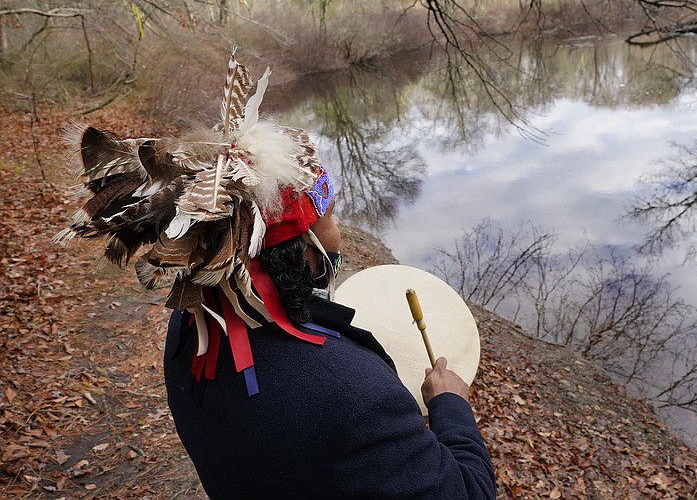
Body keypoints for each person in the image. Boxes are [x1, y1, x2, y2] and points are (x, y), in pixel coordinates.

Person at [59, 56, 496, 499]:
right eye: (331, 216)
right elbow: (469, 492)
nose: (339, 228)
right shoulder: (357, 398)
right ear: (304, 246)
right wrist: (450, 407)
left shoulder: (191, 331)